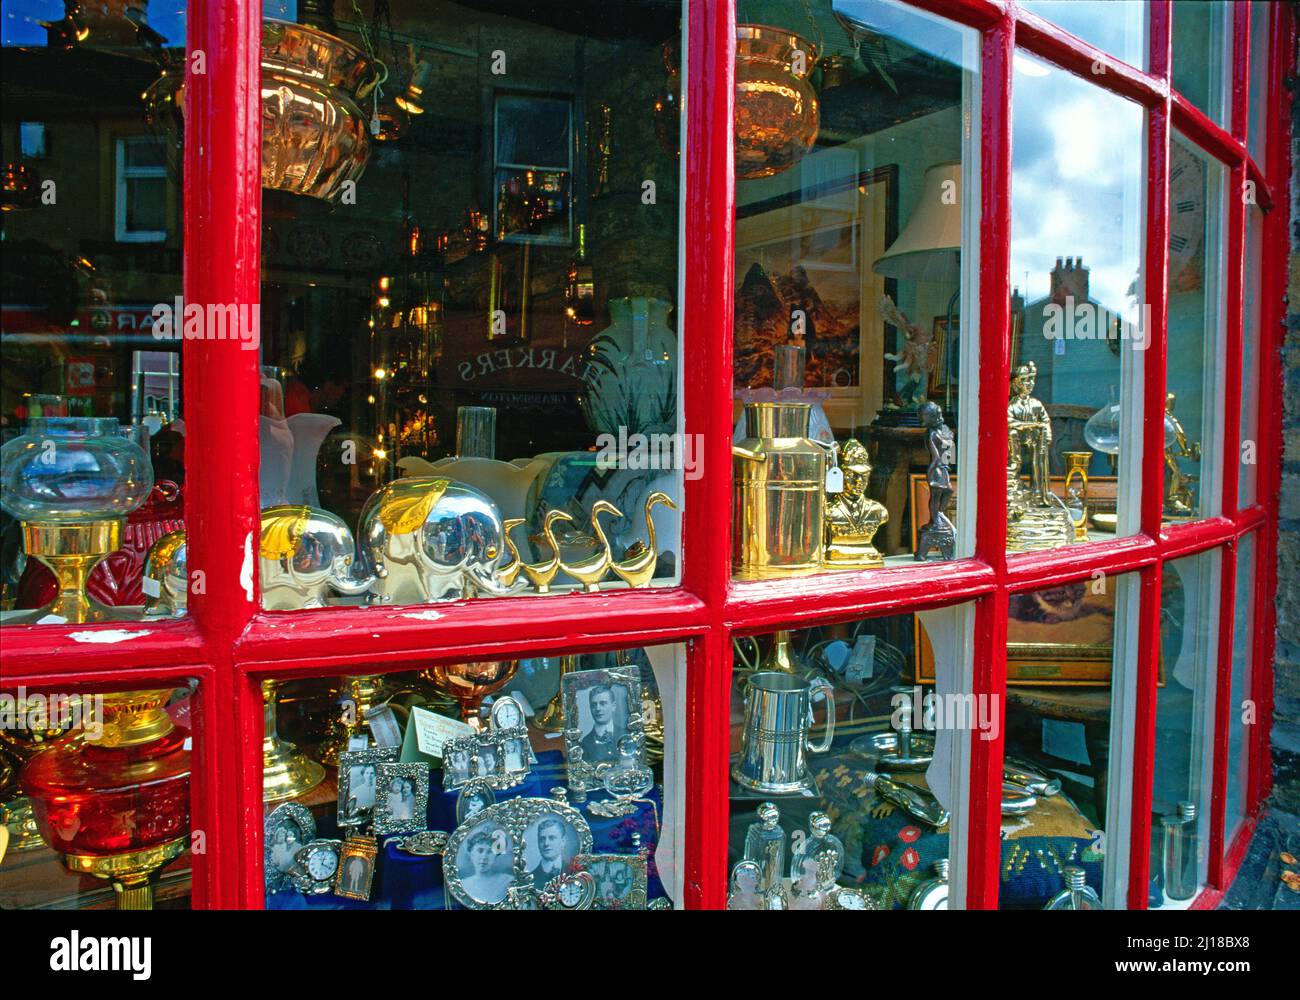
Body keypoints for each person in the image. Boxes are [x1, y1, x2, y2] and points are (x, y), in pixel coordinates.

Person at [462, 828, 512, 904]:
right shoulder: (464, 884)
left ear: (496, 856)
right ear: (471, 854)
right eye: (480, 850)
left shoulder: (508, 881)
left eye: (490, 852)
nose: (484, 857)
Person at [579, 683, 624, 764]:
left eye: (603, 703)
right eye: (594, 705)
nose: (598, 709)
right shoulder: (585, 743)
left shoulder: (625, 733)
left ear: (613, 706)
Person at [528, 816, 570, 889]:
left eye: (552, 838)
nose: (546, 843)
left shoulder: (573, 871)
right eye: (542, 839)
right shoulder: (529, 880)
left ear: (563, 842)